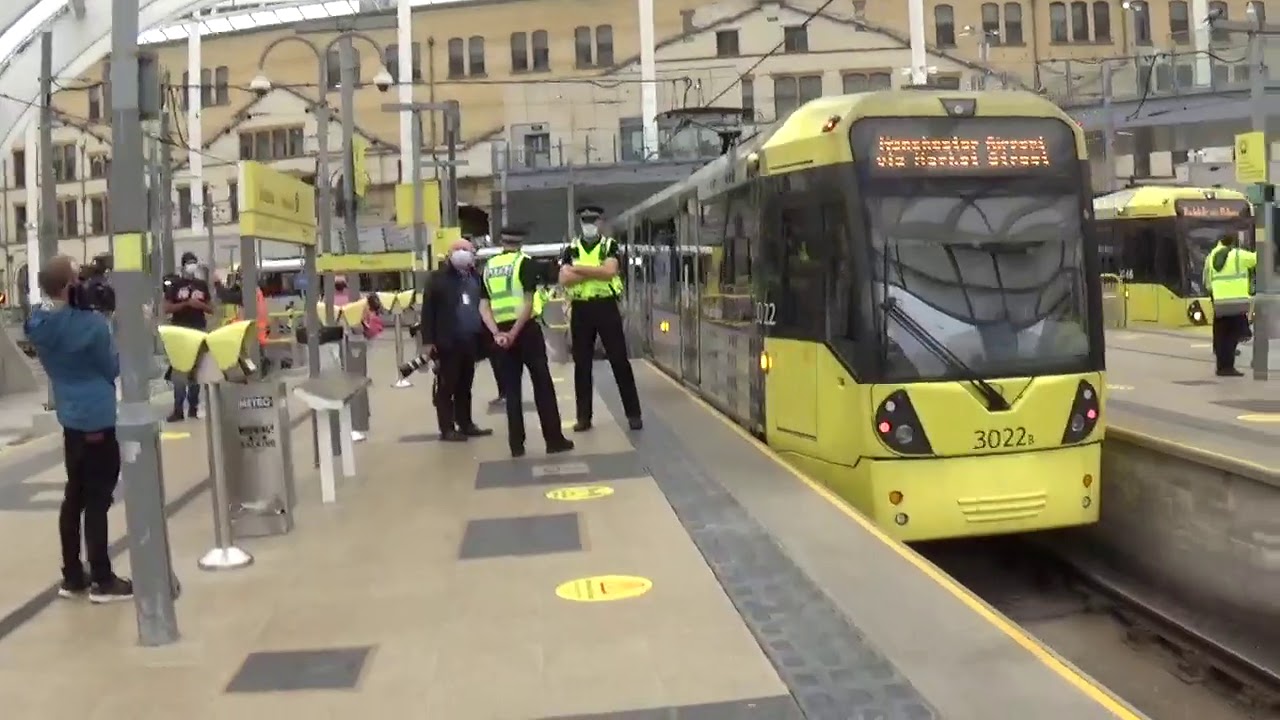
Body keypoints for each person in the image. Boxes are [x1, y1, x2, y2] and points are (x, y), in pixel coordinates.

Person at [24, 255, 133, 603]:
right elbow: (111, 367)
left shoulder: (39, 324)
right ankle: (103, 578)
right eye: (79, 278)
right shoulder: (91, 325)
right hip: (97, 416)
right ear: (69, 287)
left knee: (75, 496)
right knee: (98, 499)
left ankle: (73, 576)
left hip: (70, 418)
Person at [481, 227, 575, 458]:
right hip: (526, 332)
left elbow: (483, 306)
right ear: (520, 242)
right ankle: (553, 440)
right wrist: (514, 333)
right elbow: (528, 302)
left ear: (502, 242)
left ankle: (516, 445)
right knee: (542, 384)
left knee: (512, 390)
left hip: (501, 334)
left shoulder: (489, 267)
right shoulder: (525, 263)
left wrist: (497, 333)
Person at [559, 205, 642, 432]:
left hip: (606, 307)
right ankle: (583, 418)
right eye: (585, 220)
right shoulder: (571, 248)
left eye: (593, 220)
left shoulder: (609, 245)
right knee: (581, 365)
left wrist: (578, 270)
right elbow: (564, 279)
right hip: (581, 308)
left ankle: (633, 414)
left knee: (619, 360)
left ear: (600, 222)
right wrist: (595, 270)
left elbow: (610, 272)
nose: (589, 225)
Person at [420, 238, 494, 442]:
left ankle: (466, 423)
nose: (464, 253)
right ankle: (447, 428)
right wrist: (428, 341)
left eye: (467, 250)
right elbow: (428, 311)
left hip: (470, 339)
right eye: (460, 249)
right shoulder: (437, 279)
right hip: (447, 341)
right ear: (450, 253)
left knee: (465, 385)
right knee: (446, 386)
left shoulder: (475, 277)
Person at [162, 252, 213, 421]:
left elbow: (212, 308)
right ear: (183, 265)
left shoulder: (201, 285)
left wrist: (200, 306)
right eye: (189, 262)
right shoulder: (175, 285)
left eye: (194, 262)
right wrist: (186, 304)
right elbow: (167, 308)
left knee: (195, 371)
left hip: (198, 330)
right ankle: (178, 409)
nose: (192, 265)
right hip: (179, 331)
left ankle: (193, 407)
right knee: (179, 371)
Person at [1202, 232, 1258, 377]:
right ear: (1234, 242)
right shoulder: (1239, 255)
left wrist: (1214, 295)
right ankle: (1228, 367)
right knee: (1232, 337)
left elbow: (1207, 279)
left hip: (1220, 302)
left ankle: (1221, 367)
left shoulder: (1211, 256)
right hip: (1236, 302)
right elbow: (1259, 259)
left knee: (1222, 336)